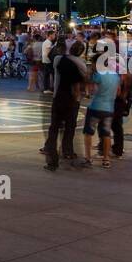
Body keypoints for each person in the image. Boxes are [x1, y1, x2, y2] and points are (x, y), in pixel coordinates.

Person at [42, 39, 89, 171]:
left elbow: (52, 55)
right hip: (73, 100)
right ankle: (67, 151)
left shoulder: (59, 60)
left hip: (58, 97)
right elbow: (82, 82)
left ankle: (51, 158)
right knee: (70, 126)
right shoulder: (81, 64)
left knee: (54, 128)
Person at [82, 54, 121, 168]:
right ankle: (106, 159)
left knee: (88, 133)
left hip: (96, 107)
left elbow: (89, 86)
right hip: (109, 109)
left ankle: (88, 158)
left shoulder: (98, 75)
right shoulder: (116, 76)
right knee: (106, 134)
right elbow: (118, 92)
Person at [111, 67, 132, 159]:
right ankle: (118, 150)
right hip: (122, 104)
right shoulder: (130, 77)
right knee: (117, 127)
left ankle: (108, 148)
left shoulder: (118, 76)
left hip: (115, 102)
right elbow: (131, 95)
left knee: (108, 126)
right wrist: (127, 107)